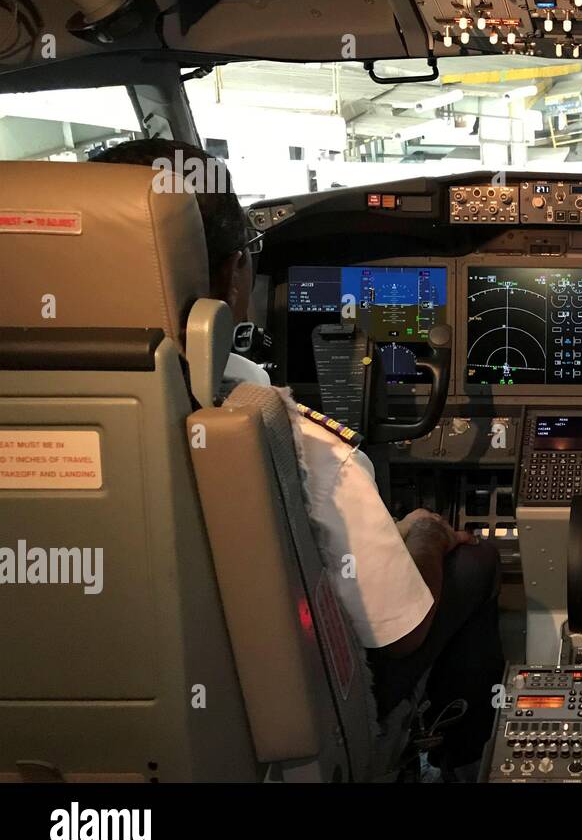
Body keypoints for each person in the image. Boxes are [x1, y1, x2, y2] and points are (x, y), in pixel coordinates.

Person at [91, 138, 503, 775]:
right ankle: (454, 756)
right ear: (234, 278)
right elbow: (401, 632)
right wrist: (419, 532)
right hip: (301, 724)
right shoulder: (281, 436)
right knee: (474, 558)